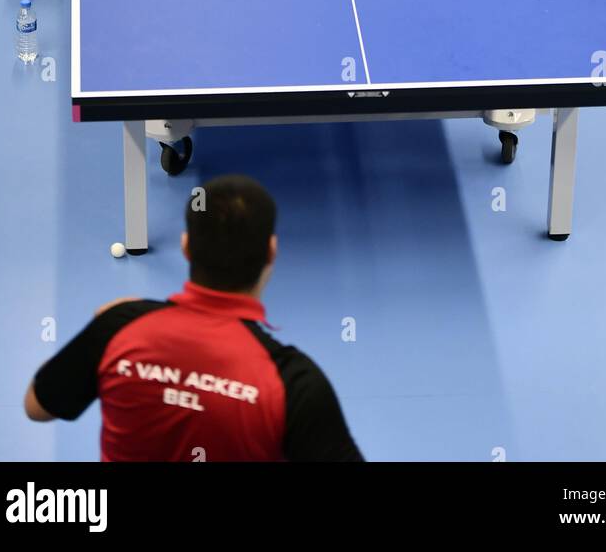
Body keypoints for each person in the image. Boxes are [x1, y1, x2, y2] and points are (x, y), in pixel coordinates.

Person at [24, 175, 364, 462]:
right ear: (271, 252)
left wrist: (97, 334)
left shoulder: (119, 327)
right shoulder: (295, 384)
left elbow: (37, 407)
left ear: (186, 246)